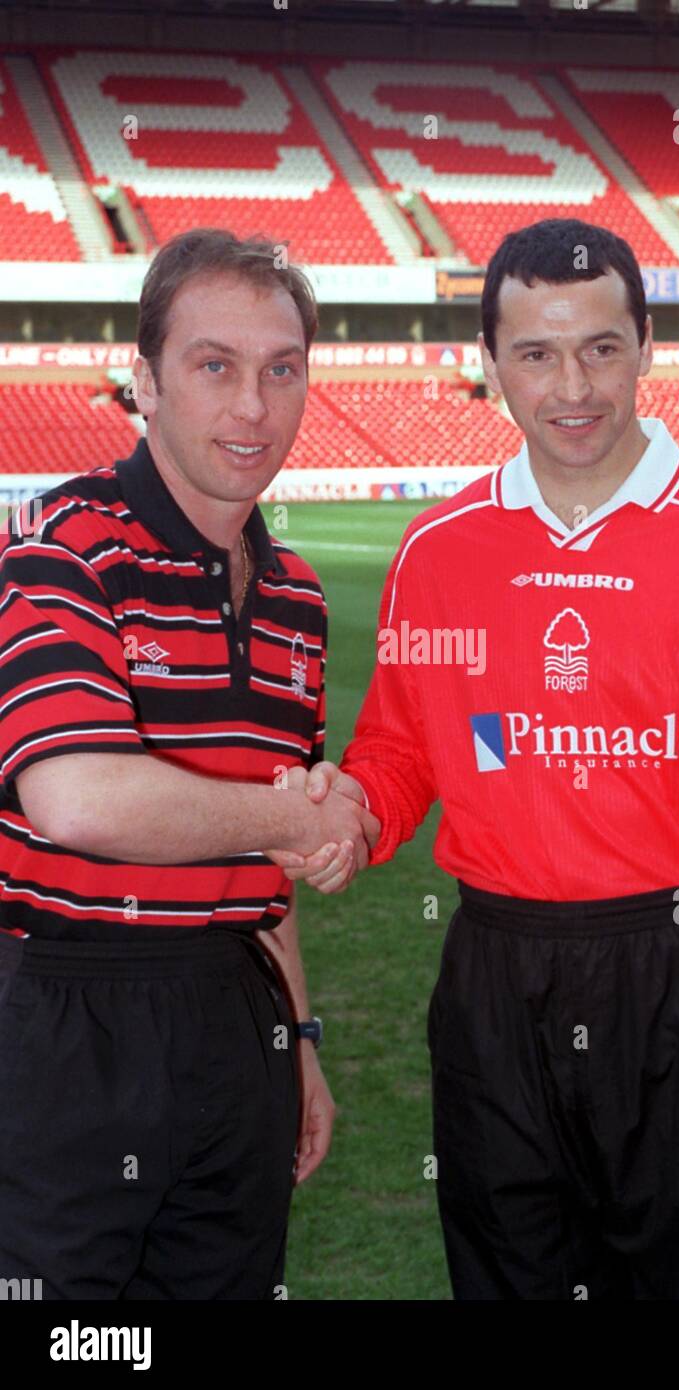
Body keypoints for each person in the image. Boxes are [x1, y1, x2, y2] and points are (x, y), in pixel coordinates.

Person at [277, 218, 679, 1300]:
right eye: (536, 353)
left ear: (646, 345)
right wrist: (352, 812)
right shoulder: (439, 550)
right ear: (491, 364)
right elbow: (404, 749)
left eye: (600, 346)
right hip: (499, 983)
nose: (572, 385)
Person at [0, 228, 379, 1300]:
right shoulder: (61, 549)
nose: (252, 408)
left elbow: (270, 844)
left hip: (234, 1010)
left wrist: (297, 1030)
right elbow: (76, 797)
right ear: (145, 381)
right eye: (214, 366)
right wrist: (300, 821)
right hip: (67, 1015)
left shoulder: (296, 595)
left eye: (281, 369)